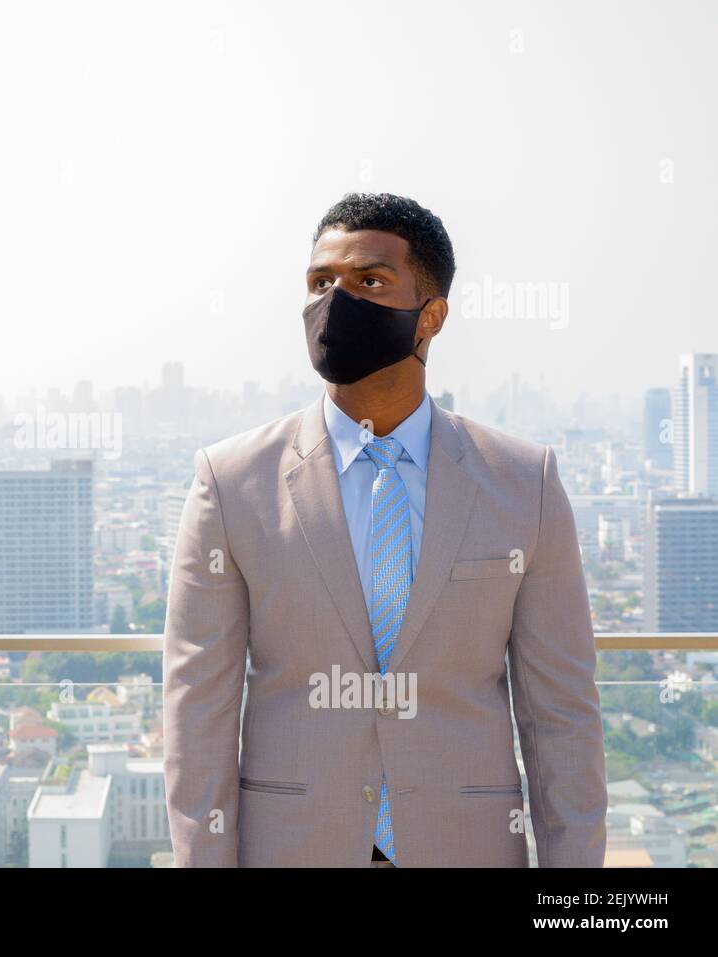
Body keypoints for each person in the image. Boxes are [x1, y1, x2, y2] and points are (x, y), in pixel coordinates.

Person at [161, 192, 606, 867]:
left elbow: (561, 716)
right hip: (294, 847)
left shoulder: (524, 482)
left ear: (430, 316)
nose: (335, 301)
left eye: (369, 281)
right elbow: (198, 713)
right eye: (320, 282)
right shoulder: (231, 483)